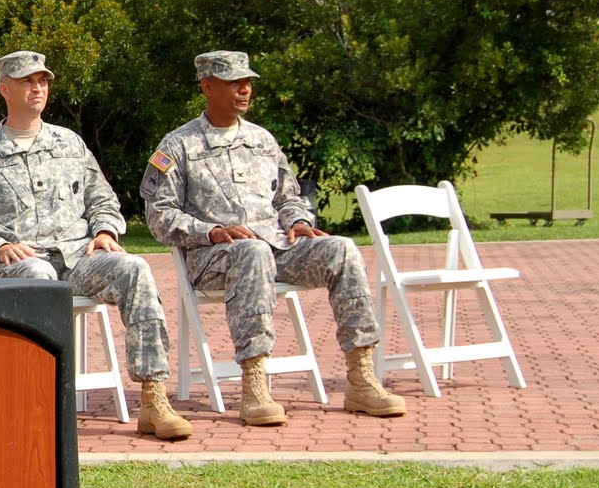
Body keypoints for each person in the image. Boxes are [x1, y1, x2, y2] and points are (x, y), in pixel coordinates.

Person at [140, 50, 405, 426]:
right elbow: (159, 215)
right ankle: (255, 385)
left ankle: (361, 378)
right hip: (217, 256)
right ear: (208, 86)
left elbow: (288, 195)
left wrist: (297, 220)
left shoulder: (263, 140)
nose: (245, 90)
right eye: (235, 83)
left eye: (248, 82)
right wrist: (212, 231)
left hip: (278, 246)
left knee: (341, 250)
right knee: (251, 253)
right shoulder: (177, 146)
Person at [0, 50, 191, 441]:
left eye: (42, 80)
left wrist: (106, 231)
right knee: (40, 276)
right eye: (27, 81)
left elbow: (102, 198)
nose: (37, 87)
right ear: (5, 89)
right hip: (19, 264)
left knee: (135, 269)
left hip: (77, 258)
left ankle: (153, 398)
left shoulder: (70, 144)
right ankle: (39, 402)